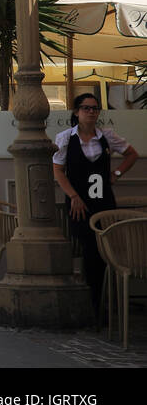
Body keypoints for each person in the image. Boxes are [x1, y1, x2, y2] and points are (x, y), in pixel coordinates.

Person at [53, 93, 140, 312]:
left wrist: (116, 173)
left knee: (105, 249)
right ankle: (94, 303)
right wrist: (73, 196)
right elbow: (58, 171)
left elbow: (131, 154)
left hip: (103, 201)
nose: (91, 112)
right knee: (90, 248)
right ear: (76, 112)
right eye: (86, 108)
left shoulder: (106, 136)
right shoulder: (65, 138)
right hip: (79, 203)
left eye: (95, 108)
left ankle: (103, 301)